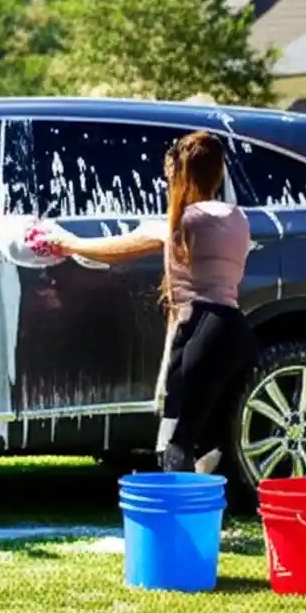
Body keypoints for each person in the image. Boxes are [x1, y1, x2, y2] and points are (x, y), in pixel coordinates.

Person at [35, 130, 258, 473]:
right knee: (212, 444)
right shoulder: (237, 218)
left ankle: (175, 523)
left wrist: (67, 242)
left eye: (170, 175)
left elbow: (112, 252)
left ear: (180, 174)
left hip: (200, 330)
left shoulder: (181, 223)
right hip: (236, 333)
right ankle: (207, 519)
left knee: (175, 444)